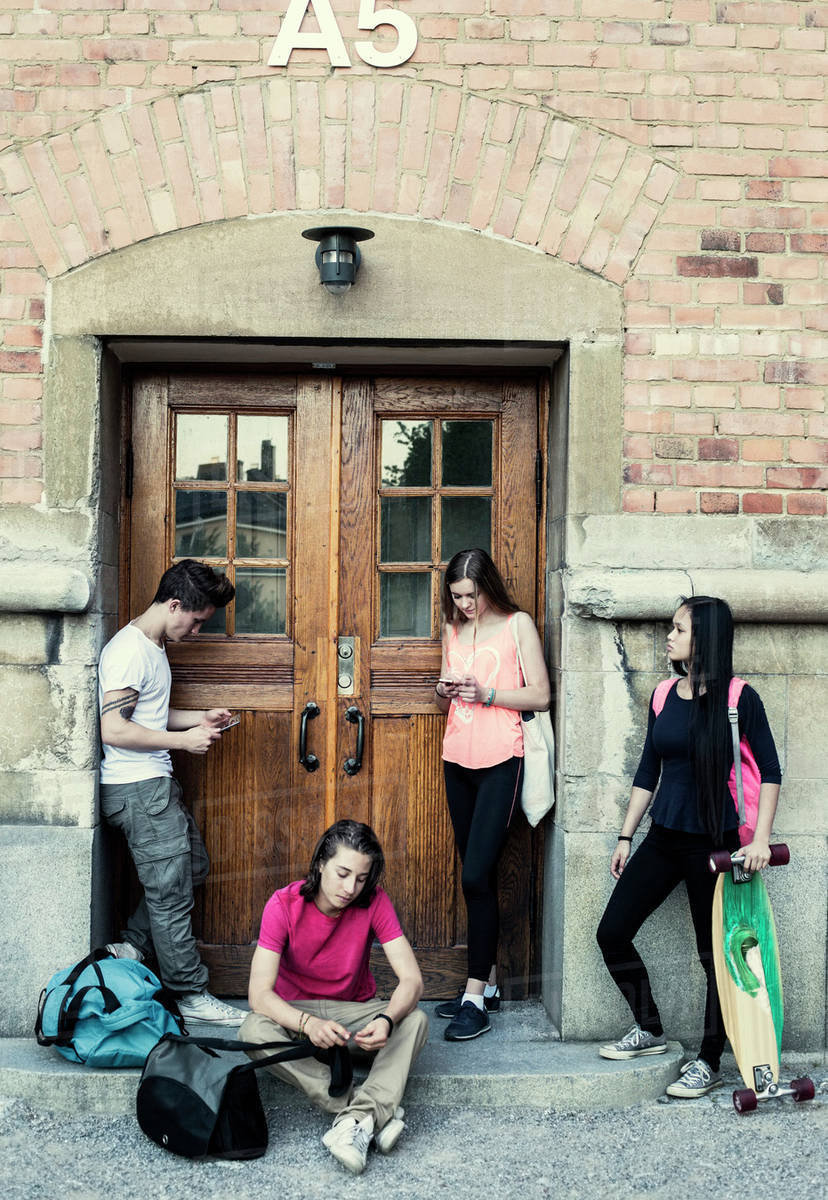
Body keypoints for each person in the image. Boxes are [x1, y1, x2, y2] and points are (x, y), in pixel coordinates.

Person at [596, 595, 782, 1097]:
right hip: (663, 838)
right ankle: (651, 1027)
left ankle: (709, 1059)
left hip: (715, 848)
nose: (669, 636)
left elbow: (771, 772)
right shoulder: (662, 695)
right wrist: (625, 835)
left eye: (679, 629)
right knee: (612, 931)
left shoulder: (740, 698)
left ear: (705, 639)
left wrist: (760, 840)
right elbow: (647, 770)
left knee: (715, 957)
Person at [98, 558, 245, 1026]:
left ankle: (133, 947)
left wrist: (199, 719)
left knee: (193, 867)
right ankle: (191, 995)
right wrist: (183, 742)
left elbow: (147, 718)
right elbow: (114, 730)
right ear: (175, 604)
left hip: (154, 785)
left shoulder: (154, 645)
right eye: (198, 621)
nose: (198, 631)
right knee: (171, 896)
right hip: (137, 788)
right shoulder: (129, 651)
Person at [240, 820, 427, 1175]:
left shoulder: (374, 901)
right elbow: (259, 995)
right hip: (300, 1016)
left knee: (415, 1019)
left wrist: (386, 1020)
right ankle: (366, 1114)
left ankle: (356, 1121)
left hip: (352, 1017)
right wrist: (306, 1023)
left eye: (360, 878)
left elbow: (412, 981)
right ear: (321, 863)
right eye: (342, 873)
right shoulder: (283, 904)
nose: (350, 887)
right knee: (252, 1030)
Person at [433, 548, 551, 1042]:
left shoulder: (517, 623)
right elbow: (448, 696)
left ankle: (474, 996)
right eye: (457, 596)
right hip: (456, 757)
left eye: (472, 595)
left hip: (503, 759)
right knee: (472, 877)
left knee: (477, 874)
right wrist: (445, 689)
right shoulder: (452, 629)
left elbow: (541, 695)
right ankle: (491, 985)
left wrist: (488, 695)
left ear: (488, 587)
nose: (465, 604)